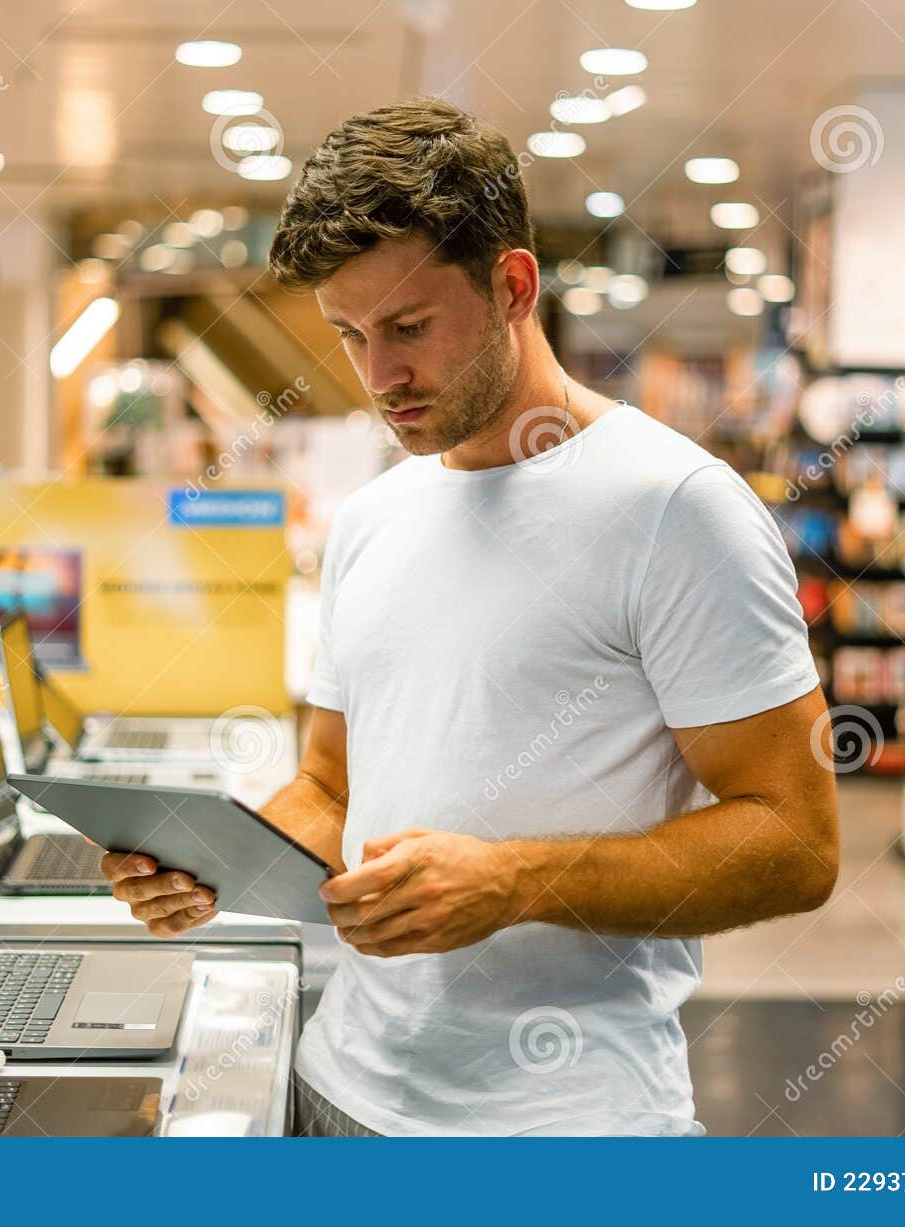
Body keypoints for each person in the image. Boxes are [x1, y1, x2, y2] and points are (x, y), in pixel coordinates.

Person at [101, 97, 839, 1137]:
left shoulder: (674, 508)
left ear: (513, 286)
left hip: (564, 1128)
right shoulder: (372, 519)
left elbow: (796, 841)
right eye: (350, 336)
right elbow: (328, 786)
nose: (380, 377)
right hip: (342, 1089)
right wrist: (215, 866)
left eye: (409, 328)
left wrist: (518, 881)